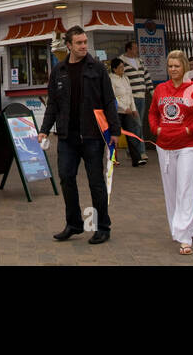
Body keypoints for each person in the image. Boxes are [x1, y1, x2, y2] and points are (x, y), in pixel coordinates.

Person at [38, 26, 119, 244]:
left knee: (96, 182)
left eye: (85, 42)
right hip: (66, 136)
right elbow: (53, 103)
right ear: (69, 46)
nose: (84, 46)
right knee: (66, 178)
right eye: (79, 43)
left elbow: (109, 100)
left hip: (92, 135)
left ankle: (103, 227)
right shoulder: (59, 70)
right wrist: (44, 129)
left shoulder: (97, 68)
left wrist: (115, 131)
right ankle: (74, 224)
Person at [149, 50, 193, 254]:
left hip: (188, 147)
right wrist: (156, 129)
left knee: (184, 189)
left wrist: (191, 130)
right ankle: (188, 228)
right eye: (170, 66)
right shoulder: (160, 89)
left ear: (184, 67)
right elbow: (152, 113)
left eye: (176, 66)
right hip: (165, 147)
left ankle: (184, 237)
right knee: (171, 192)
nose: (173, 70)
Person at [109, 58, 146, 167]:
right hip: (117, 111)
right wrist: (124, 107)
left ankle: (136, 159)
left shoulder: (125, 78)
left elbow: (130, 95)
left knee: (131, 134)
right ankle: (113, 158)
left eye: (123, 67)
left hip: (128, 112)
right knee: (114, 135)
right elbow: (113, 97)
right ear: (114, 69)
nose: (122, 69)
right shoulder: (111, 79)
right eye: (120, 67)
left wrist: (133, 109)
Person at [121, 40, 152, 151]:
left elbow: (147, 77)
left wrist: (152, 91)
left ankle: (132, 149)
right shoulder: (122, 61)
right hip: (131, 98)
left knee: (137, 124)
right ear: (128, 49)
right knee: (136, 124)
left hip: (142, 96)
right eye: (134, 48)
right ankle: (140, 150)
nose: (137, 50)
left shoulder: (140, 61)